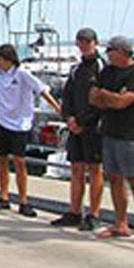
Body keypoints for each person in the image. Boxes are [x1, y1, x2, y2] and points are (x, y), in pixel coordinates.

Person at [89, 35, 134, 247]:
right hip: (109, 132)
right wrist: (111, 97)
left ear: (121, 51)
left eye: (110, 50)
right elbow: (93, 97)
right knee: (114, 179)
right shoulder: (107, 72)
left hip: (131, 135)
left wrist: (107, 96)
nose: (107, 54)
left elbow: (123, 102)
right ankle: (121, 223)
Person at [0, 43, 60, 217]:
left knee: (19, 161)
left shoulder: (22, 73)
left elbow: (41, 90)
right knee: (2, 159)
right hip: (0, 119)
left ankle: (23, 200)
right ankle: (4, 197)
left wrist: (57, 107)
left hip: (19, 122)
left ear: (8, 59)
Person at [50, 28, 105, 231]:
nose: (84, 44)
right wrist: (70, 118)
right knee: (76, 169)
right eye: (80, 41)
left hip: (94, 127)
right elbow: (68, 96)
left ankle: (94, 214)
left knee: (95, 170)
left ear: (95, 42)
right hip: (75, 126)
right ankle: (74, 211)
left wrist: (85, 121)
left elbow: (102, 99)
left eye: (87, 41)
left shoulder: (101, 67)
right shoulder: (76, 69)